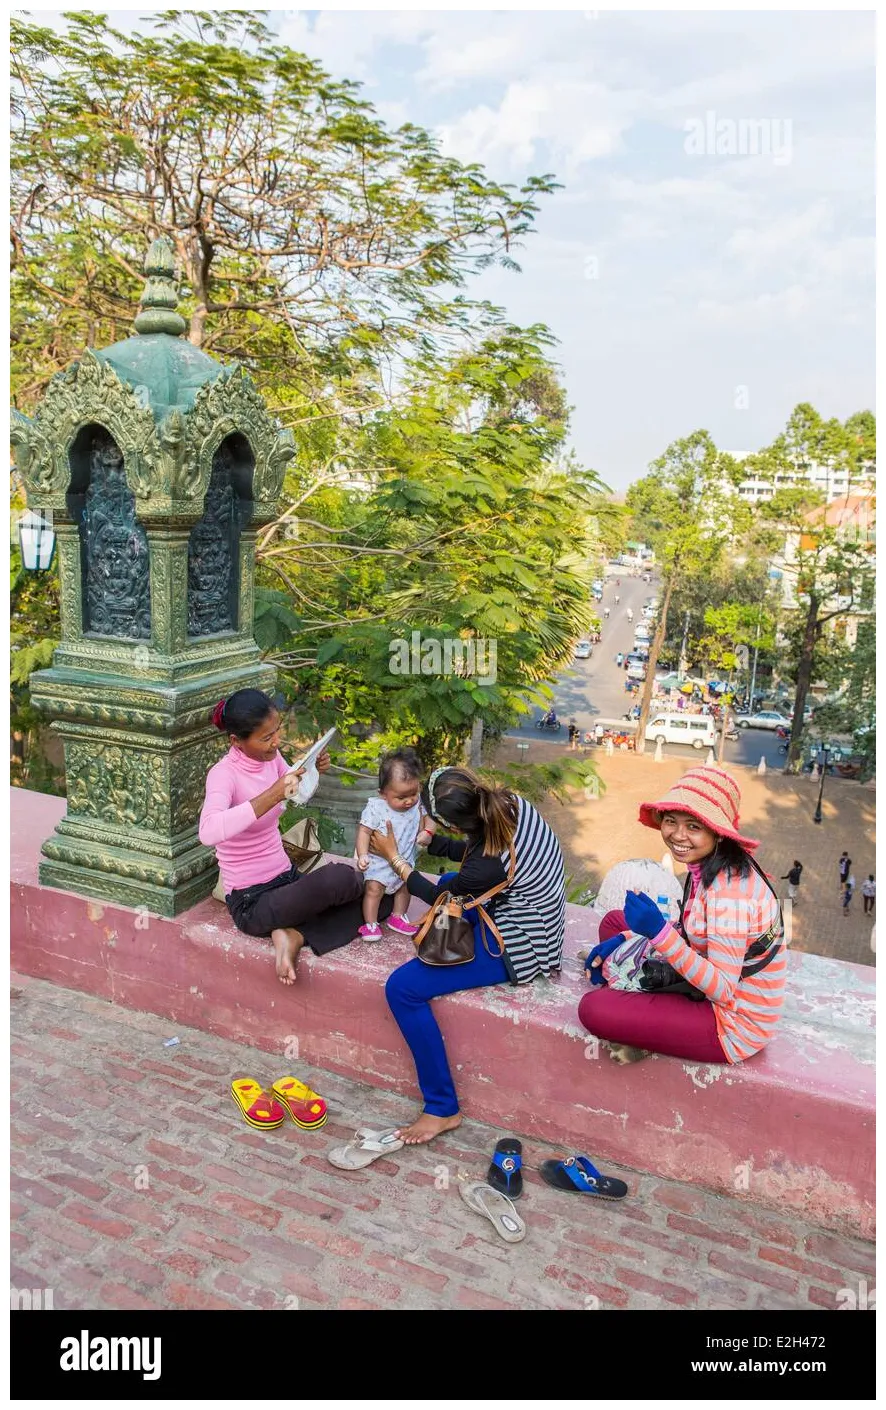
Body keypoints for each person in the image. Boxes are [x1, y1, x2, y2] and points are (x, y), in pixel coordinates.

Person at [370, 766, 565, 1145]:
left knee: (402, 989)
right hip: (525, 909)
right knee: (448, 881)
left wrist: (394, 858)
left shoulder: (483, 867)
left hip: (522, 942)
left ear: (457, 824)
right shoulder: (507, 804)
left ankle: (442, 1107)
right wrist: (437, 845)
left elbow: (444, 895)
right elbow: (481, 856)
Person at [578, 764, 785, 1065]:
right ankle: (633, 993)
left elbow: (723, 988)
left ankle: (634, 1004)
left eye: (694, 827)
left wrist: (657, 933)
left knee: (593, 1009)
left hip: (731, 1022)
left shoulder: (729, 892)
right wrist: (624, 937)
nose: (678, 835)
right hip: (702, 980)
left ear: (718, 833)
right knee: (613, 921)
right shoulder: (708, 866)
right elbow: (694, 930)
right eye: (671, 821)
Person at [199, 690, 370, 985]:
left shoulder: (271, 757)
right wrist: (272, 794)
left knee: (376, 896)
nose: (276, 742)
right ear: (237, 741)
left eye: (277, 731)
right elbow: (209, 831)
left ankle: (293, 935)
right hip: (252, 901)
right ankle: (292, 931)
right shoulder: (223, 774)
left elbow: (295, 794)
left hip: (288, 880)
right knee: (338, 879)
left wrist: (313, 771)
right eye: (266, 738)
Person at [355, 748, 435, 941]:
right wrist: (362, 854)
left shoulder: (418, 803)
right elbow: (364, 832)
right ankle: (370, 924)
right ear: (383, 794)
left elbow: (430, 819)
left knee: (405, 888)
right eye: (401, 797)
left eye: (413, 793)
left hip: (404, 861)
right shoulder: (376, 808)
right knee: (374, 890)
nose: (409, 801)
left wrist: (427, 832)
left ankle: (397, 916)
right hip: (379, 863)